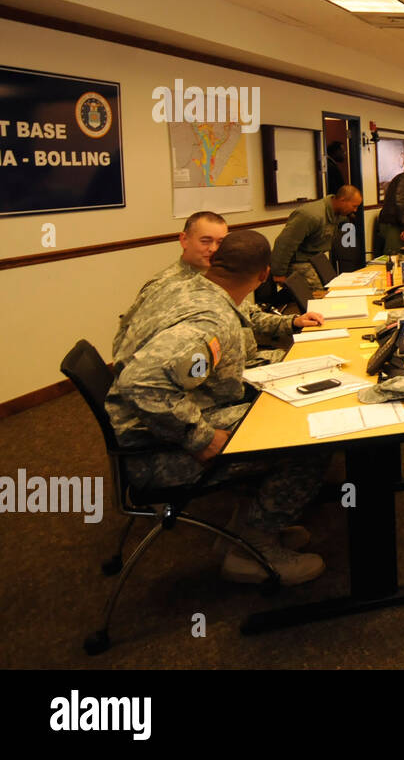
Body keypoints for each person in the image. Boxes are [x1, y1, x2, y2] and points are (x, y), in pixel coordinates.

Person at [105, 231, 331, 586]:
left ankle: (244, 528)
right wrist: (199, 437)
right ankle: (253, 548)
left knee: (277, 407)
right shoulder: (211, 321)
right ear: (263, 275)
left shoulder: (188, 287)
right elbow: (142, 382)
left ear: (215, 261)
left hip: (156, 421)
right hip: (154, 448)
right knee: (304, 436)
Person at [114, 211, 323, 363]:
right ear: (184, 240)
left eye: (220, 242)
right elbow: (130, 352)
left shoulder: (219, 277)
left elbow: (249, 316)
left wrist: (293, 321)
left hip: (246, 363)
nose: (213, 249)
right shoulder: (166, 287)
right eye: (206, 241)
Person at [269, 185, 363, 290]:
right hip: (299, 261)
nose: (355, 210)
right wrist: (278, 273)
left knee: (334, 288)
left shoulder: (338, 214)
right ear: (342, 200)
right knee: (320, 295)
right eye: (354, 206)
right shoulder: (311, 215)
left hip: (315, 258)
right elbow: (285, 243)